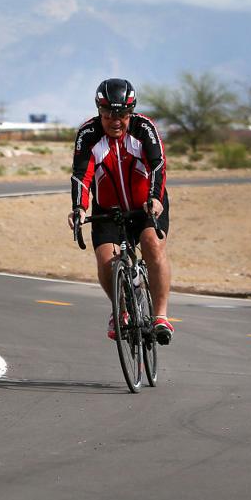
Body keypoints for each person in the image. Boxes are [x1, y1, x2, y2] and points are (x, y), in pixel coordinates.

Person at [67, 78, 173, 344]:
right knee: (106, 261)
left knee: (152, 245)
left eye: (122, 115)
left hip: (147, 203)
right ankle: (121, 311)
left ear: (131, 112)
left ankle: (160, 316)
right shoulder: (88, 134)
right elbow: (82, 174)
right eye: (108, 115)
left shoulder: (144, 128)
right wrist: (79, 207)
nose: (116, 121)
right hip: (108, 209)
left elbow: (158, 165)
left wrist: (155, 199)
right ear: (99, 112)